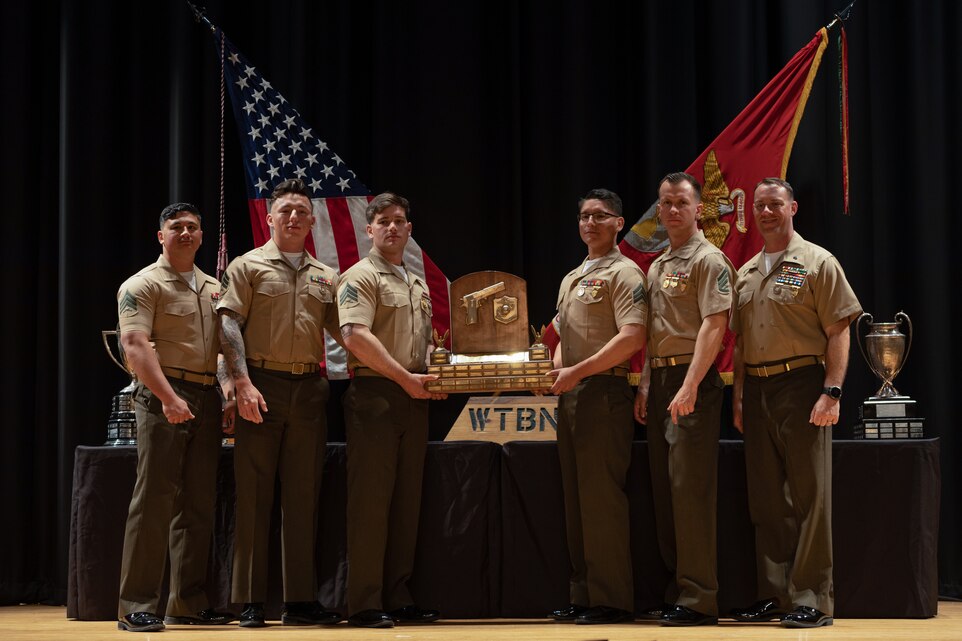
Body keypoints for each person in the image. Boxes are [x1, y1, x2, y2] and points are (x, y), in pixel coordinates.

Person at [729, 178, 861, 629]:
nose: (766, 212)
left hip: (803, 383)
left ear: (793, 208)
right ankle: (774, 594)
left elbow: (839, 330)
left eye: (775, 205)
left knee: (810, 496)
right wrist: (740, 395)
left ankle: (812, 598)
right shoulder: (745, 272)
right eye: (760, 205)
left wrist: (832, 390)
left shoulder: (817, 262)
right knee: (766, 500)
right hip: (759, 388)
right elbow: (742, 343)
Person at [217, 178, 342, 627]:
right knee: (254, 495)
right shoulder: (247, 267)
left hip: (309, 390)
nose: (293, 217)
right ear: (269, 217)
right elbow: (228, 324)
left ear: (311, 222)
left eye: (301, 212)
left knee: (303, 495)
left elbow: (347, 332)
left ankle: (301, 600)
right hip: (261, 387)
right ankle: (250, 599)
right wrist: (242, 383)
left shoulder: (326, 276)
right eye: (285, 210)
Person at [116, 203, 235, 632]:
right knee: (154, 501)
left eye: (192, 227)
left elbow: (222, 349)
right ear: (160, 235)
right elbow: (134, 345)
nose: (185, 233)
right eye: (176, 227)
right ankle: (136, 605)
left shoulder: (213, 287)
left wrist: (226, 394)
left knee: (198, 503)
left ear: (202, 235)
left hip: (205, 395)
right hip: (165, 394)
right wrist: (167, 397)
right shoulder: (142, 284)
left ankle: (186, 602)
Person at [336, 192, 445, 629]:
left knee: (406, 503)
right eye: (383, 221)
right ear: (369, 229)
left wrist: (443, 367)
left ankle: (398, 596)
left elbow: (424, 344)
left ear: (409, 229)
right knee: (371, 503)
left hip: (413, 398)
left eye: (400, 221)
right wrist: (407, 379)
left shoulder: (414, 281)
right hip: (376, 397)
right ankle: (364, 602)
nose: (393, 228)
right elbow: (354, 335)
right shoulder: (359, 277)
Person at [633, 173, 734, 626]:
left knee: (689, 492)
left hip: (693, 381)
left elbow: (714, 327)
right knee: (665, 491)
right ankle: (677, 589)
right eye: (665, 203)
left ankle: (699, 598)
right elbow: (655, 333)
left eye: (681, 202)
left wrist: (690, 385)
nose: (672, 210)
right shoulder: (656, 265)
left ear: (697, 210)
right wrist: (648, 384)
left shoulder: (709, 260)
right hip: (663, 381)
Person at [547, 188, 647, 625]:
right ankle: (584, 592)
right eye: (584, 216)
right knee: (576, 498)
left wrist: (577, 372)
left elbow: (632, 337)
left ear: (618, 224)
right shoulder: (573, 276)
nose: (590, 223)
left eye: (600, 216)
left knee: (602, 498)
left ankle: (611, 598)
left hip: (603, 393)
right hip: (572, 395)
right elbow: (561, 338)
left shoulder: (625, 274)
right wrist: (551, 374)